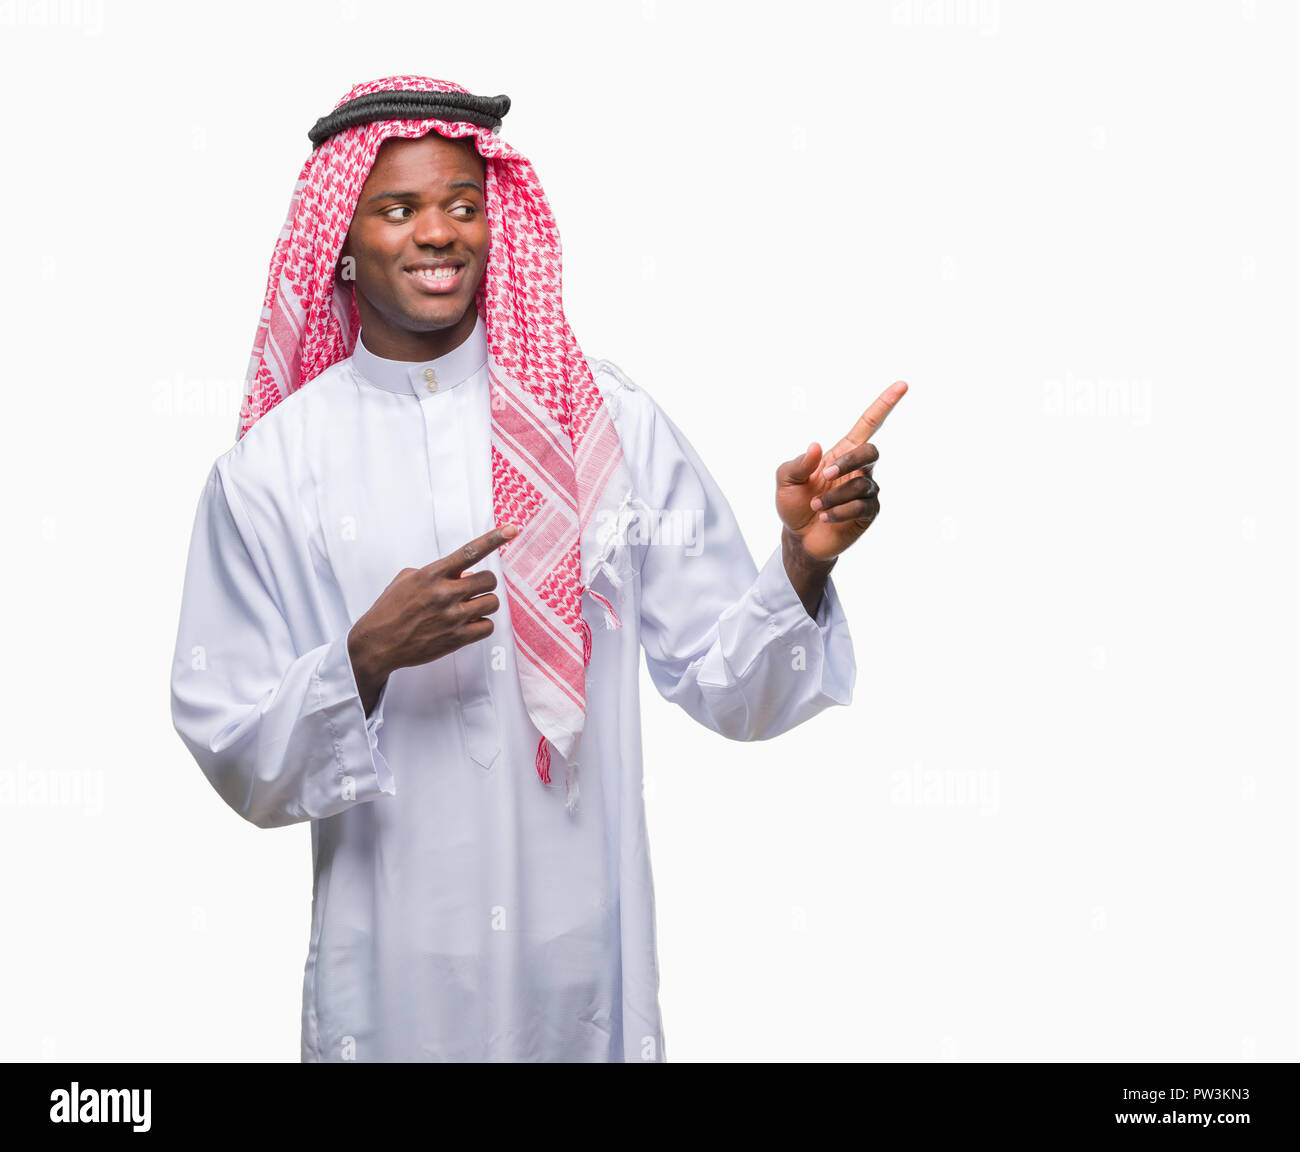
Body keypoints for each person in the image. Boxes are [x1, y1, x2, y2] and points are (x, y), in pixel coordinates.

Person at [170, 75, 906, 1063]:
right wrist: (364, 658)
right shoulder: (271, 471)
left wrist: (801, 565)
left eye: (463, 206)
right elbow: (233, 750)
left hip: (581, 970)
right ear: (340, 242)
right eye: (398, 209)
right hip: (389, 983)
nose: (439, 233)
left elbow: (730, 684)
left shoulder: (601, 424)